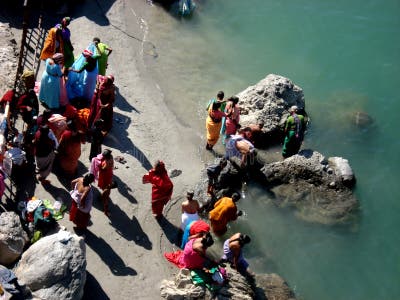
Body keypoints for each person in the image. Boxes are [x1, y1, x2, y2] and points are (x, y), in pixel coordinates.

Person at [90, 149, 114, 216]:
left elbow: (103, 169)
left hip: (105, 177)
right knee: (107, 191)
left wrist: (98, 165)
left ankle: (105, 207)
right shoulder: (111, 157)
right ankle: (104, 199)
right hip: (109, 176)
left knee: (105, 193)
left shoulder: (106, 162)